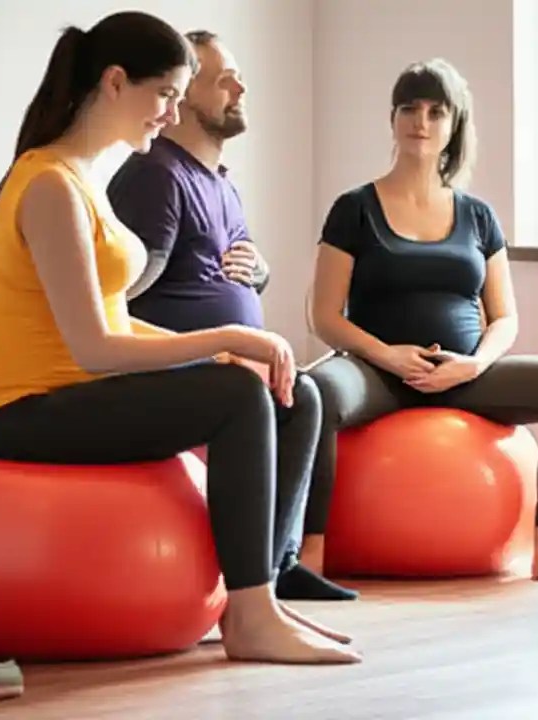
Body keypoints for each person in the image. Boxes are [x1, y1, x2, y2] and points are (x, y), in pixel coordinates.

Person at [0, 11, 360, 665]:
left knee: (257, 389)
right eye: (166, 93)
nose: (172, 113)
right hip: (15, 411)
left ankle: (259, 599)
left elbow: (112, 318)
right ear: (116, 82)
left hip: (61, 395)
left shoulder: (80, 179)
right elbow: (95, 348)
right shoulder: (51, 185)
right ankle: (251, 618)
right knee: (235, 397)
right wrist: (227, 336)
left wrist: (225, 350)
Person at [306, 58, 538, 584]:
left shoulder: (478, 216)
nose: (420, 122)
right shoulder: (353, 209)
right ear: (392, 118)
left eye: (435, 111)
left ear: (454, 125)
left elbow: (505, 317)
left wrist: (474, 365)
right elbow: (324, 315)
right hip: (378, 374)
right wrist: (387, 356)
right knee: (317, 393)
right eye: (409, 109)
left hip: (465, 374)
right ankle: (311, 553)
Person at [107, 29, 355, 601]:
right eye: (224, 80)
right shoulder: (157, 174)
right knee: (289, 396)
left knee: (302, 393)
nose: (240, 89)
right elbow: (125, 287)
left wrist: (260, 274)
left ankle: (277, 562)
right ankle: (260, 576)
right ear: (183, 94)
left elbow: (226, 266)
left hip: (228, 361)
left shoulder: (220, 182)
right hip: (176, 366)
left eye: (238, 78)